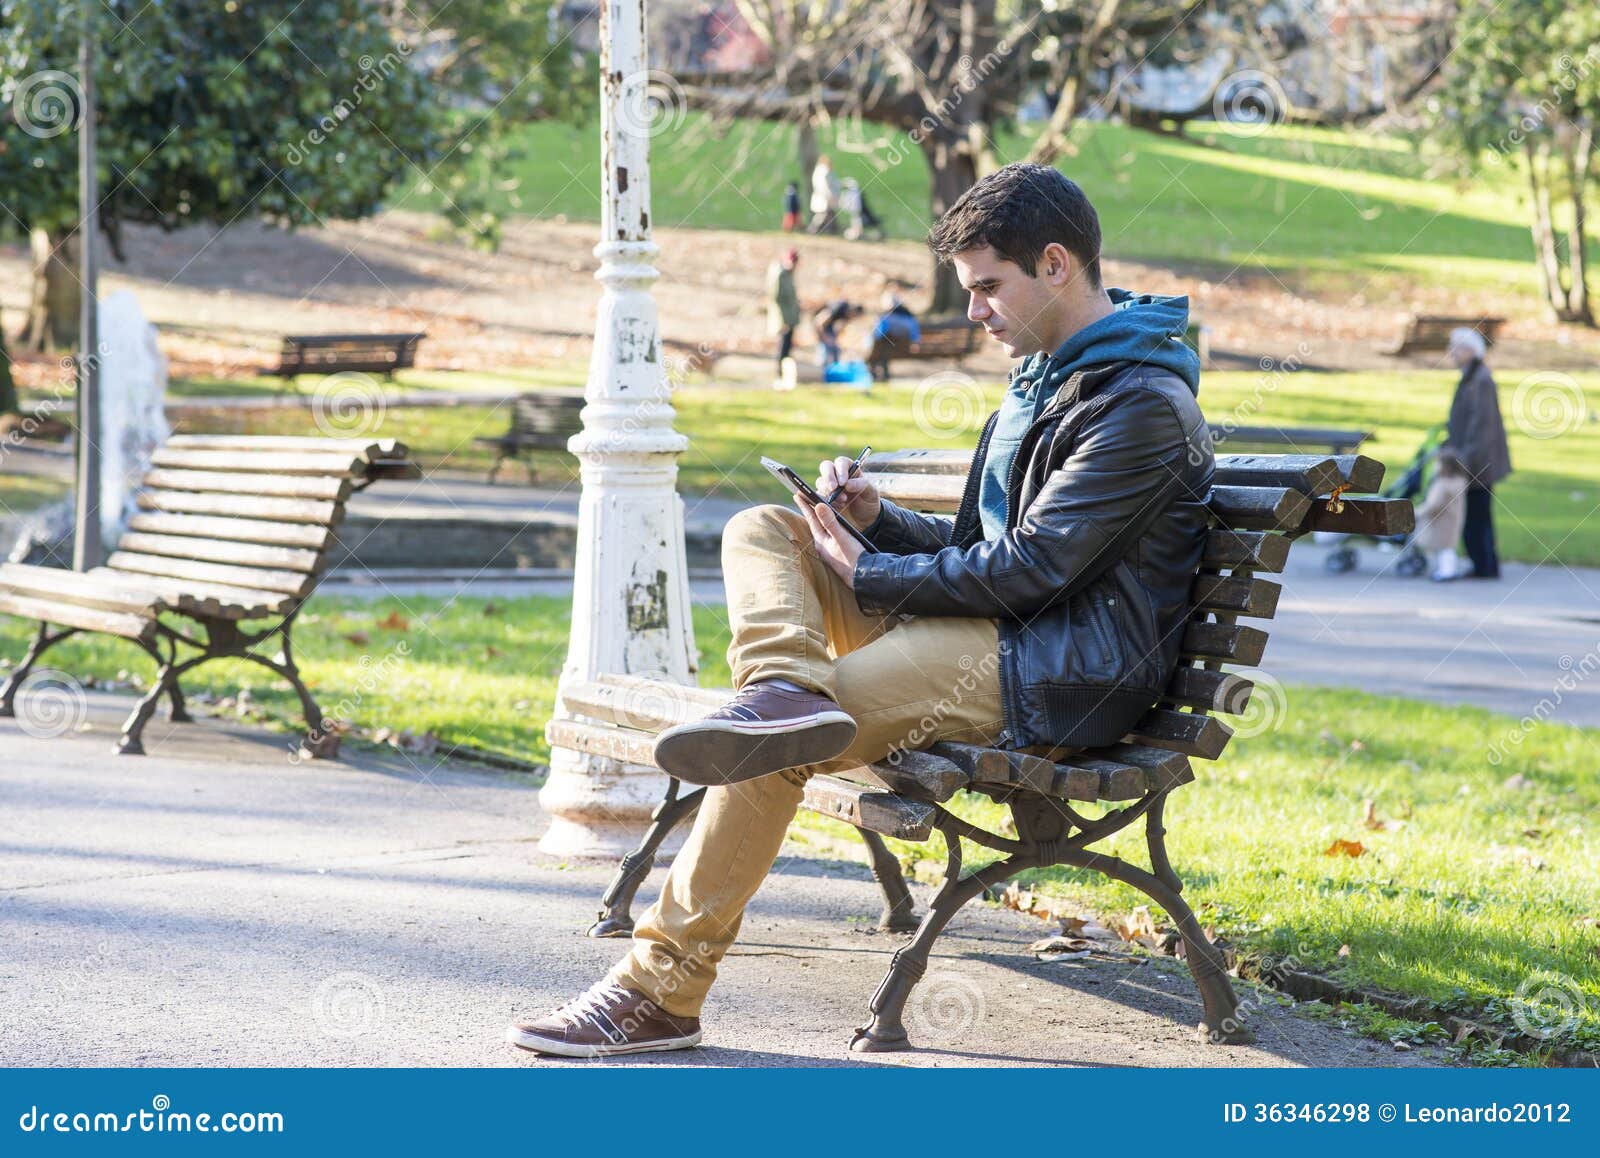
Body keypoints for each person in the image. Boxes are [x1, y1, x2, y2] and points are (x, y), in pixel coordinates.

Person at [507, 161, 1215, 1058]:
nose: (975, 312)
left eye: (988, 288)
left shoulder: (1141, 404)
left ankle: (660, 993)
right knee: (769, 529)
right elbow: (984, 543)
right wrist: (876, 524)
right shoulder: (1048, 376)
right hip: (993, 637)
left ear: (1056, 264)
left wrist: (872, 575)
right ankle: (783, 688)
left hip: (1059, 674)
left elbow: (1035, 569)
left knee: (776, 753)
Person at [1443, 327, 1512, 578]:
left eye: (1455, 347)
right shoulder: (1471, 377)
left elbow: (1481, 426)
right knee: (1474, 515)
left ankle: (1485, 565)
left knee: (1477, 515)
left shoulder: (1481, 380)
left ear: (1470, 351)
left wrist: (1463, 459)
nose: (1450, 352)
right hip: (1471, 459)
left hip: (1478, 462)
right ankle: (1482, 564)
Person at [1409, 448, 1469, 582]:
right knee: (1448, 547)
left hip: (1440, 521)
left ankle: (1446, 572)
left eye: (1438, 463)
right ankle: (1449, 570)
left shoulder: (1442, 485)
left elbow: (1433, 505)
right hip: (1452, 520)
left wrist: (1417, 512)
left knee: (1443, 548)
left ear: (1446, 467)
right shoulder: (1459, 481)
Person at [766, 248, 801, 387]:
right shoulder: (780, 274)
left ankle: (786, 376)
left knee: (788, 348)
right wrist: (782, 320)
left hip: (791, 317)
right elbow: (776, 298)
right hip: (783, 319)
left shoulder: (789, 274)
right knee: (782, 347)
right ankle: (779, 375)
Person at [813, 298, 860, 368]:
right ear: (853, 311)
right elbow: (818, 323)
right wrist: (825, 337)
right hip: (820, 324)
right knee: (825, 349)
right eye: (854, 316)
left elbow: (841, 329)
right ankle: (821, 369)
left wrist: (835, 340)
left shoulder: (848, 316)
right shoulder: (838, 308)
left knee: (835, 349)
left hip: (829, 326)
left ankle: (833, 370)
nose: (853, 318)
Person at [808, 155, 840, 234]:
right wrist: (829, 194)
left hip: (823, 195)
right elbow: (824, 185)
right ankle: (813, 229)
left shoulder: (820, 171)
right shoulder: (824, 171)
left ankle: (828, 231)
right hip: (823, 196)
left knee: (828, 214)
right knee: (822, 214)